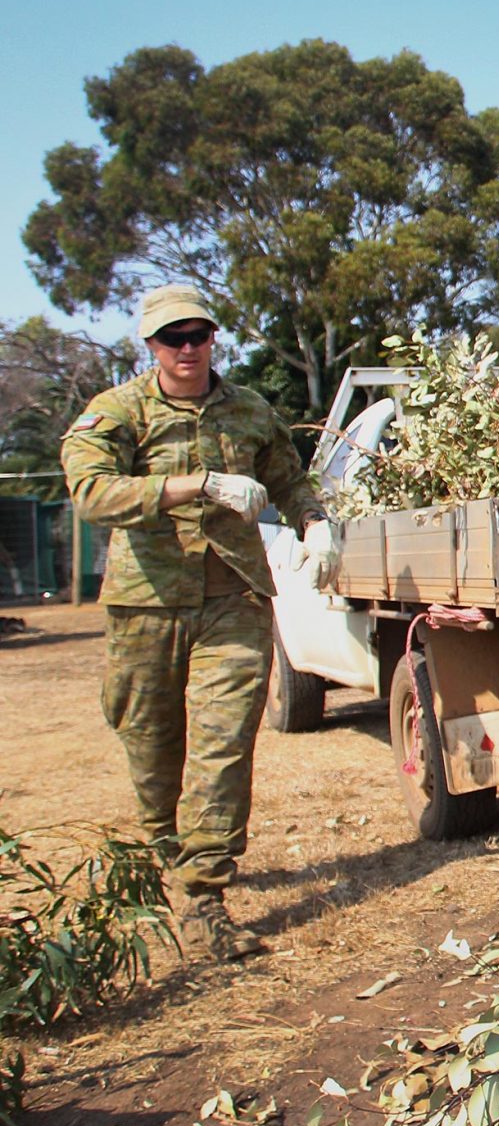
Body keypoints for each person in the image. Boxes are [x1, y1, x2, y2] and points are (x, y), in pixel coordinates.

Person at [61, 285, 336, 961]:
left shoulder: (247, 408)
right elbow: (93, 492)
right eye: (171, 339)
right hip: (146, 603)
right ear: (150, 346)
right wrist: (200, 485)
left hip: (233, 600)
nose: (187, 349)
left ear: (213, 337)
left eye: (197, 334)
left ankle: (204, 895)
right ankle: (165, 853)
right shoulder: (118, 412)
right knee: (150, 742)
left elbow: (287, 475)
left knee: (223, 744)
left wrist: (316, 522)